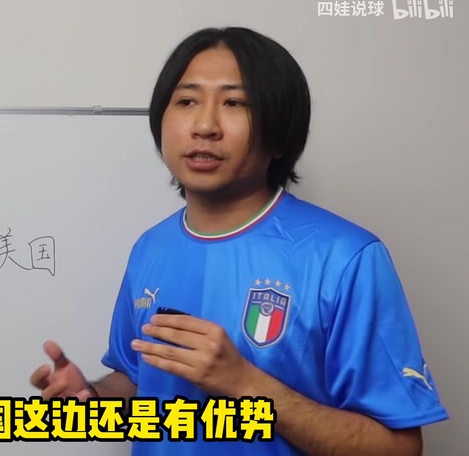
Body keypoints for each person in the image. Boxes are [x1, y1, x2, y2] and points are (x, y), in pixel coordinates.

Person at [30, 26, 449, 455]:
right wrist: (92, 399)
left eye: (235, 103)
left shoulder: (345, 258)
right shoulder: (150, 248)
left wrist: (245, 383)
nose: (204, 125)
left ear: (279, 131)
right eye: (187, 101)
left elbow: (399, 447)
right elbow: (138, 379)